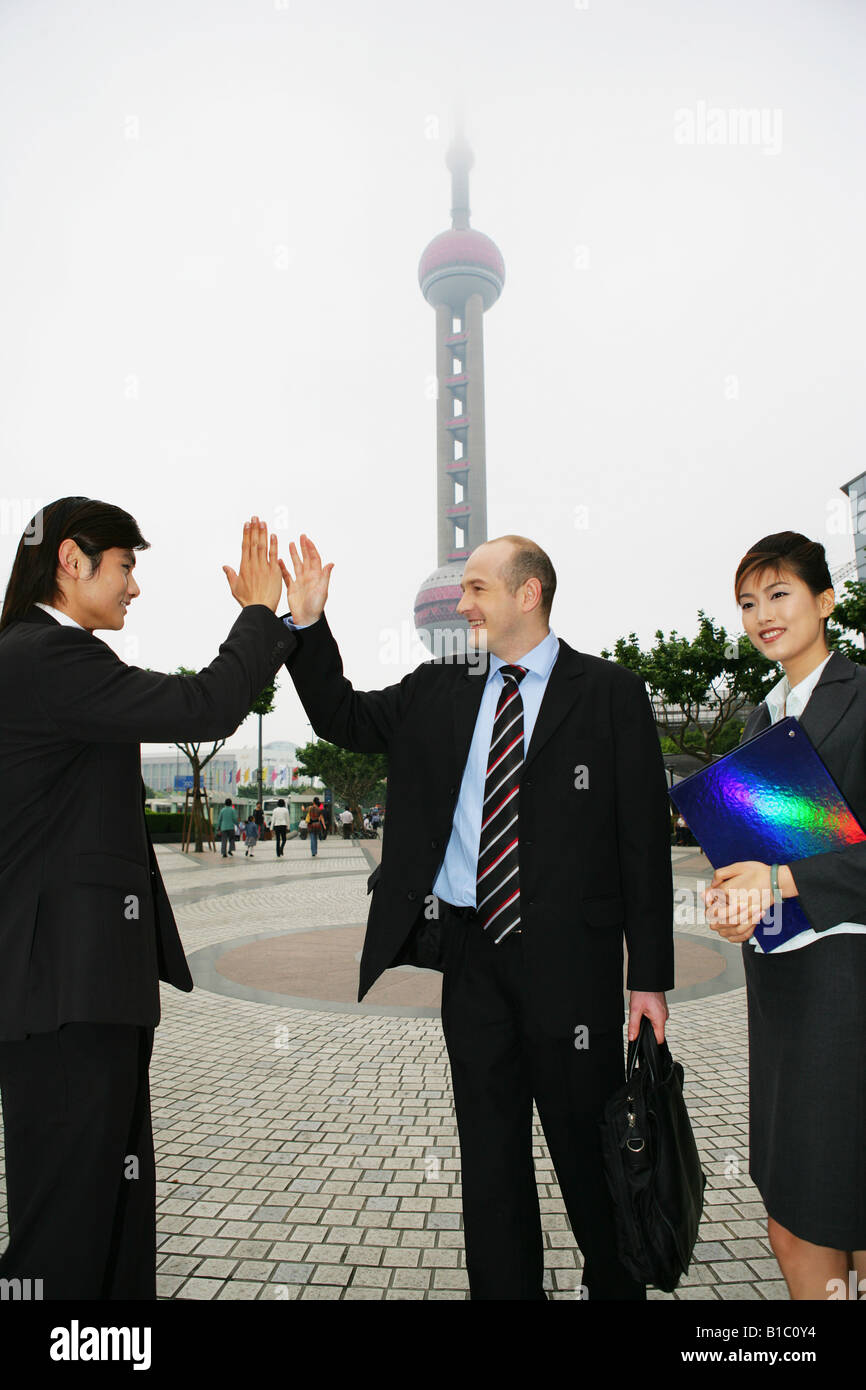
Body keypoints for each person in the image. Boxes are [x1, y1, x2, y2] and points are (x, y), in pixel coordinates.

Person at [280, 532, 673, 1300]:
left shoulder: (610, 693)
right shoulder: (442, 687)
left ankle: (615, 1289)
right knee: (490, 1161)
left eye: (477, 589)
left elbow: (642, 845)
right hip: (472, 958)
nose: (462, 605)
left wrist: (647, 978)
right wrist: (306, 628)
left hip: (571, 969)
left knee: (588, 1152)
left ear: (529, 594)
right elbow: (343, 718)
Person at [0, 501, 292, 1300]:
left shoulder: (48, 661)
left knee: (110, 1210)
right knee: (66, 1228)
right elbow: (201, 706)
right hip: (62, 990)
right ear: (72, 560)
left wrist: (288, 623)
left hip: (84, 987)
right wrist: (260, 615)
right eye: (126, 565)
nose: (136, 587)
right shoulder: (43, 658)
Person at [705, 531, 866, 1301]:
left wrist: (786, 879)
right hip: (780, 989)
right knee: (794, 1199)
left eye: (779, 594)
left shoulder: (863, 698)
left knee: (831, 1206)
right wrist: (739, 905)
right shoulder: (758, 720)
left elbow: (789, 871)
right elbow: (755, 868)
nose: (762, 614)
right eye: (747, 602)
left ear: (825, 601)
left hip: (849, 987)